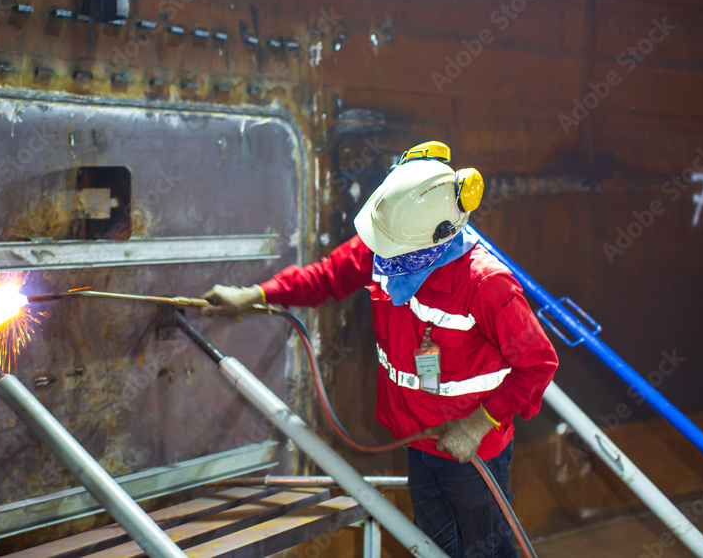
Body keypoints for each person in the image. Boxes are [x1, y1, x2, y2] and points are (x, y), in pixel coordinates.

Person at [202, 141, 558, 558]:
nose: (380, 258)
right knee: (435, 550)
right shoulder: (392, 245)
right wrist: (256, 294)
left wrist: (479, 424)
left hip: (473, 451)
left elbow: (538, 364)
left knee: (486, 553)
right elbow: (327, 276)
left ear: (437, 236)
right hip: (418, 440)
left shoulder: (485, 284)